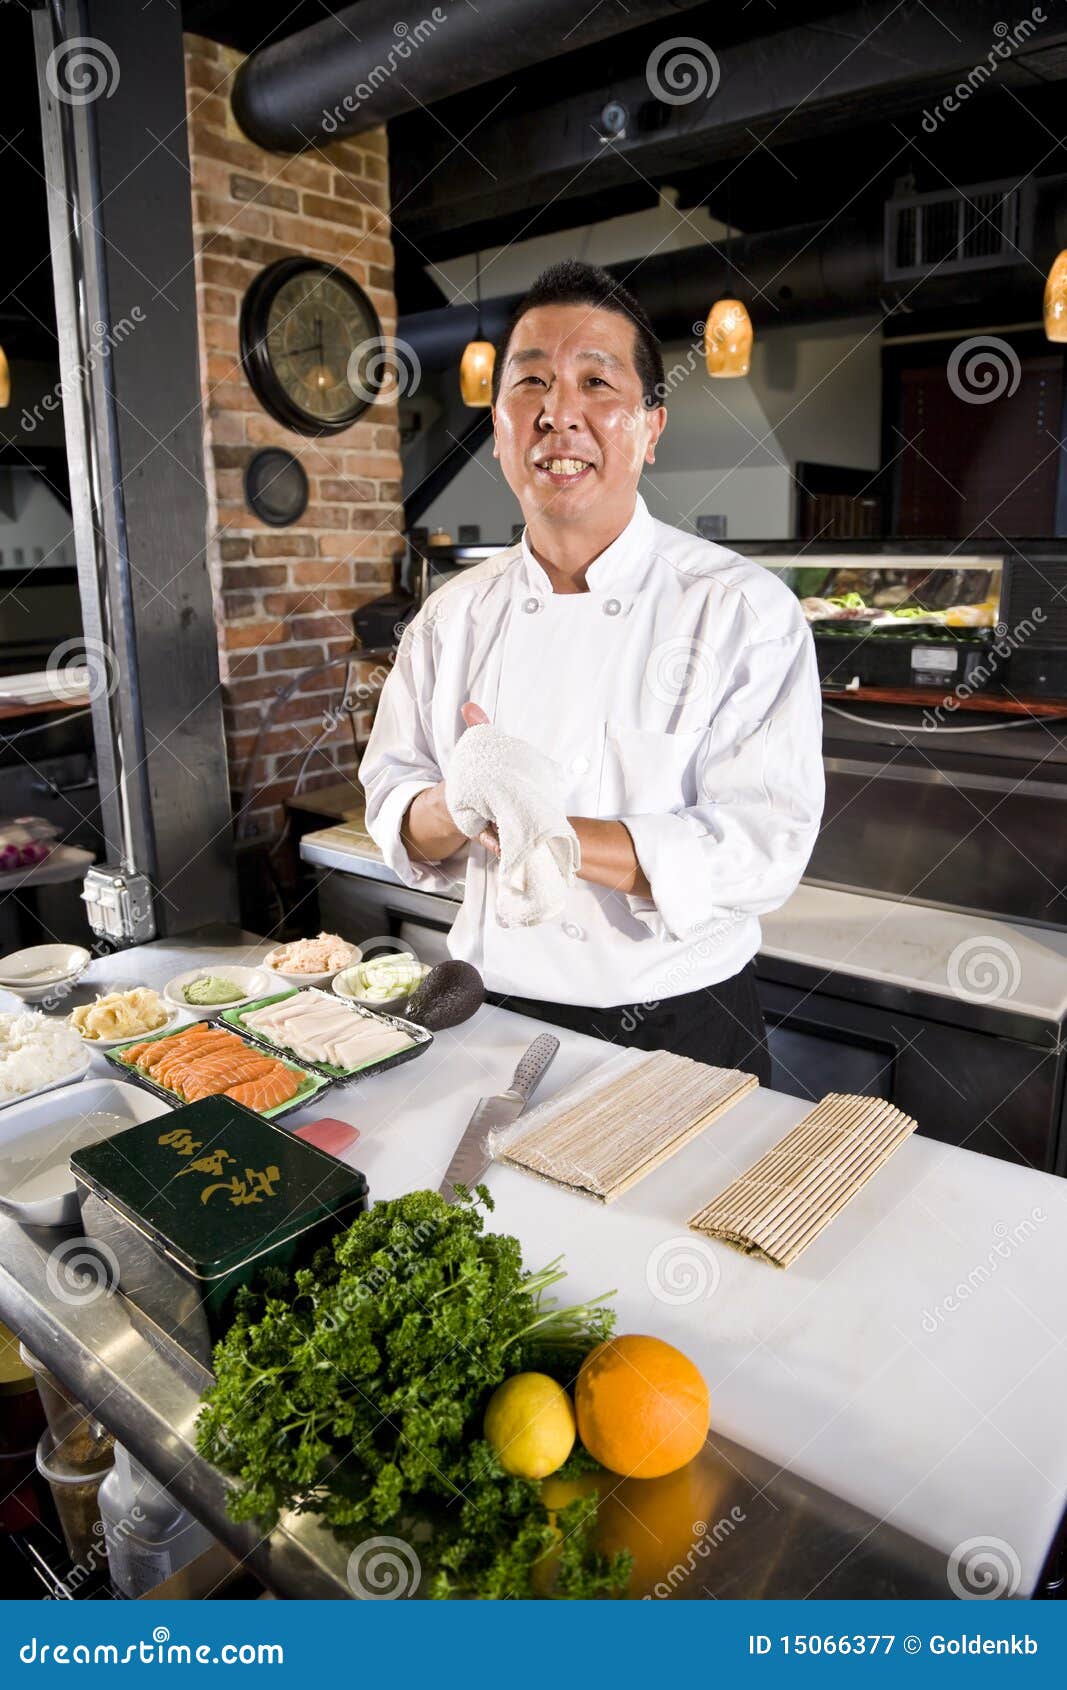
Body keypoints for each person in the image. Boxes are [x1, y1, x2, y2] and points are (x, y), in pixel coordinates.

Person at [358, 260, 825, 1082]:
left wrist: (550, 832)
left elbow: (762, 846)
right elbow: (392, 806)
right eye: (529, 382)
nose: (557, 413)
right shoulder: (448, 616)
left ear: (650, 428)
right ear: (499, 425)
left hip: (679, 1026)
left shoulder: (740, 610)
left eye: (595, 383)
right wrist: (458, 798)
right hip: (488, 1013)